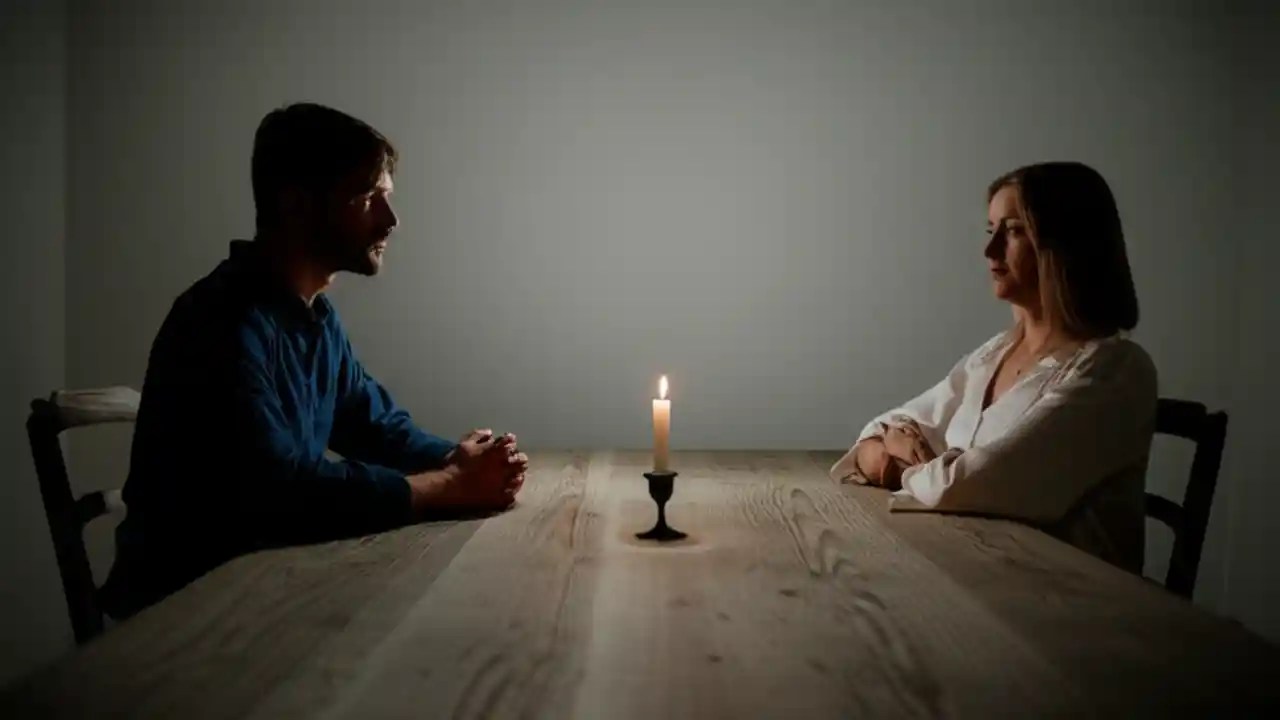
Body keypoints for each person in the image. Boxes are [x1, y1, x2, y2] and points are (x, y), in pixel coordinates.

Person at [99, 103, 529, 618]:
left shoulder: (314, 318)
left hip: (264, 592)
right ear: (297, 204)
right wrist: (449, 487)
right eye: (369, 198)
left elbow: (374, 426)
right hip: (187, 618)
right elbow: (283, 491)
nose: (391, 220)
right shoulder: (222, 322)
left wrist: (463, 461)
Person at [829, 161, 1157, 573]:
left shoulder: (1115, 371)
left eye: (1015, 230)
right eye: (991, 230)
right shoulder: (995, 354)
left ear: (1066, 243)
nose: (990, 250)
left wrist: (900, 465)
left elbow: (970, 483)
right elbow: (884, 428)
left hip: (1075, 608)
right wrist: (887, 447)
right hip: (979, 573)